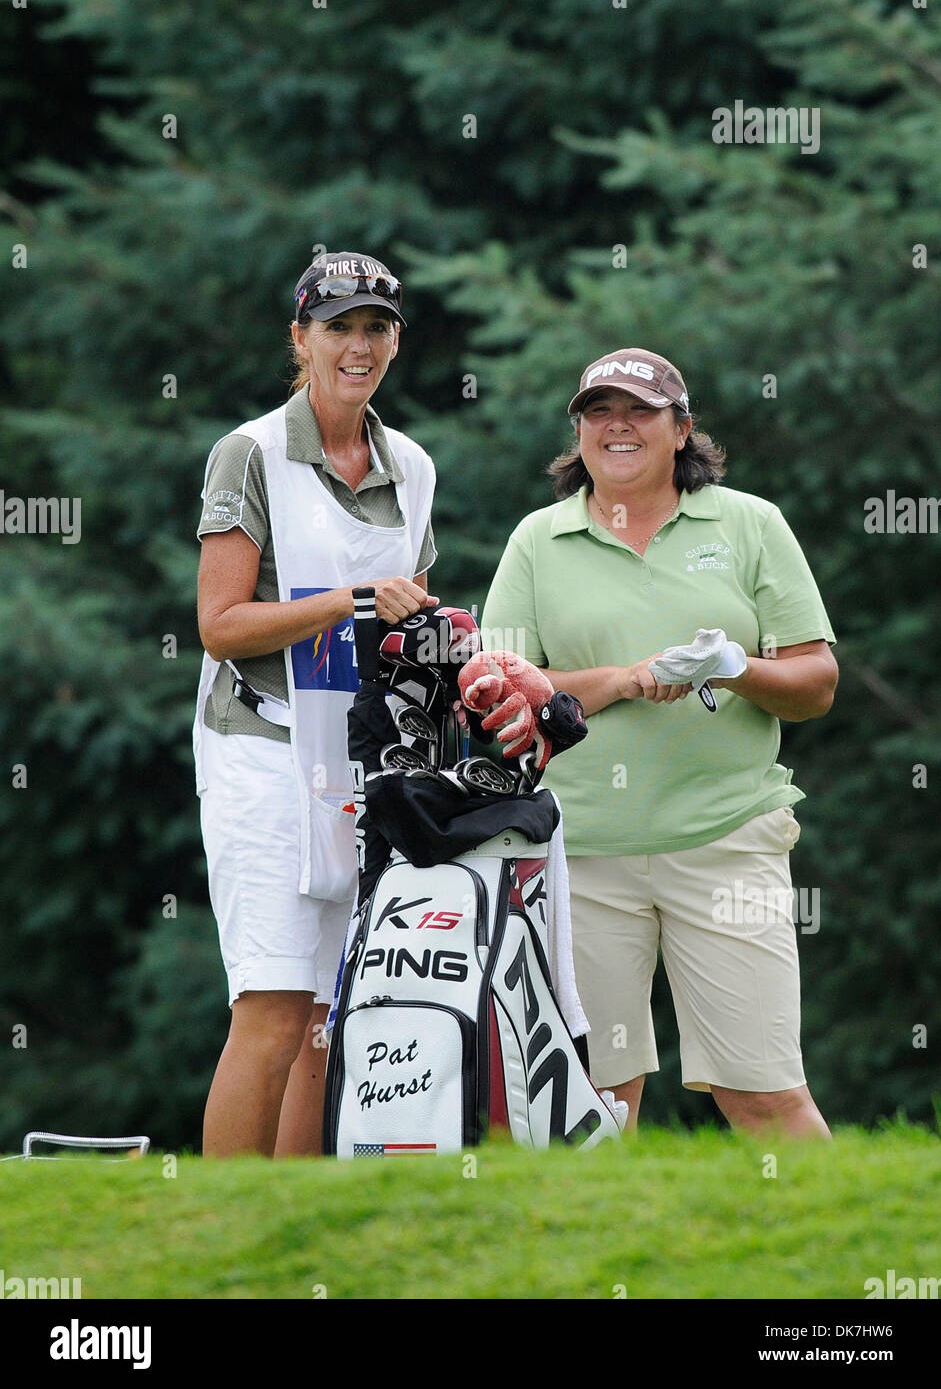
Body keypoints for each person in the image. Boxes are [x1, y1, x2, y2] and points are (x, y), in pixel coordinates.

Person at [481, 347, 837, 1139]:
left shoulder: (748, 523)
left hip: (726, 840)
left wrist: (735, 666)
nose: (617, 425)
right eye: (597, 411)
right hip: (580, 857)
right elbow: (500, 693)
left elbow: (815, 683)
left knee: (762, 1093)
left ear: (680, 430)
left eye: (639, 411)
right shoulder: (539, 541)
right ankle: (602, 1264)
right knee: (594, 1101)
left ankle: (839, 1259)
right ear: (577, 434)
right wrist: (624, 678)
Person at [194, 252, 438, 1157]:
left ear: (396, 342)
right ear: (300, 338)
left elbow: (405, 617)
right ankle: (226, 1244)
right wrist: (350, 600)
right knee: (271, 1005)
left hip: (356, 760)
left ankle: (291, 1242)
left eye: (376, 327)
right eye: (338, 326)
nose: (359, 345)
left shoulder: (411, 467)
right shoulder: (249, 452)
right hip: (260, 751)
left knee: (329, 1015)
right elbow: (221, 625)